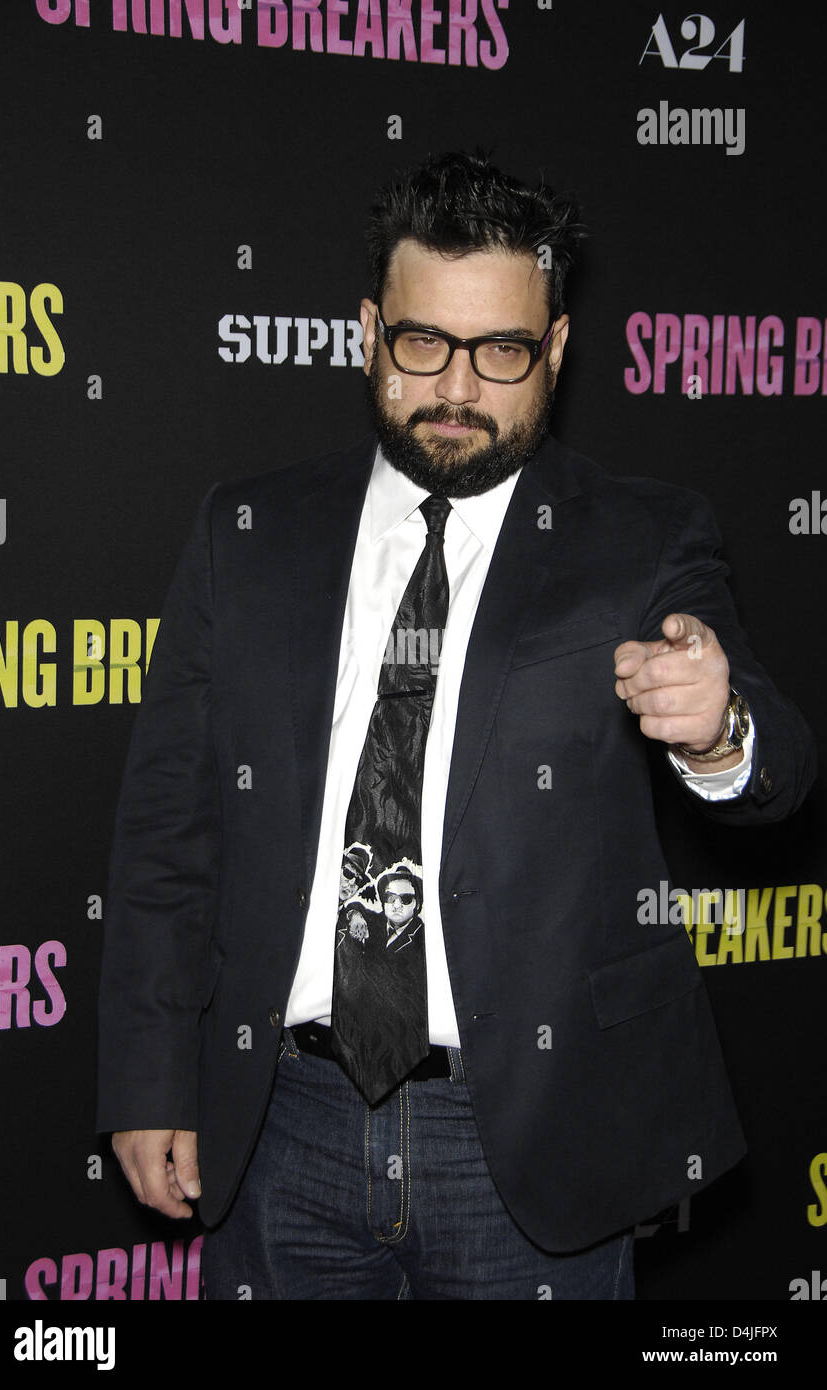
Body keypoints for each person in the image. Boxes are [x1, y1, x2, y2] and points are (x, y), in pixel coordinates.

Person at [97, 150, 816, 1300]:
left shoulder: (640, 538)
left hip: (535, 1138)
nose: (457, 389)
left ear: (558, 350)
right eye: (422, 343)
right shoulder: (248, 531)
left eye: (502, 352)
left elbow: (776, 761)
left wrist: (716, 728)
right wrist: (145, 1081)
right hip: (283, 1127)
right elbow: (167, 837)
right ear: (369, 329)